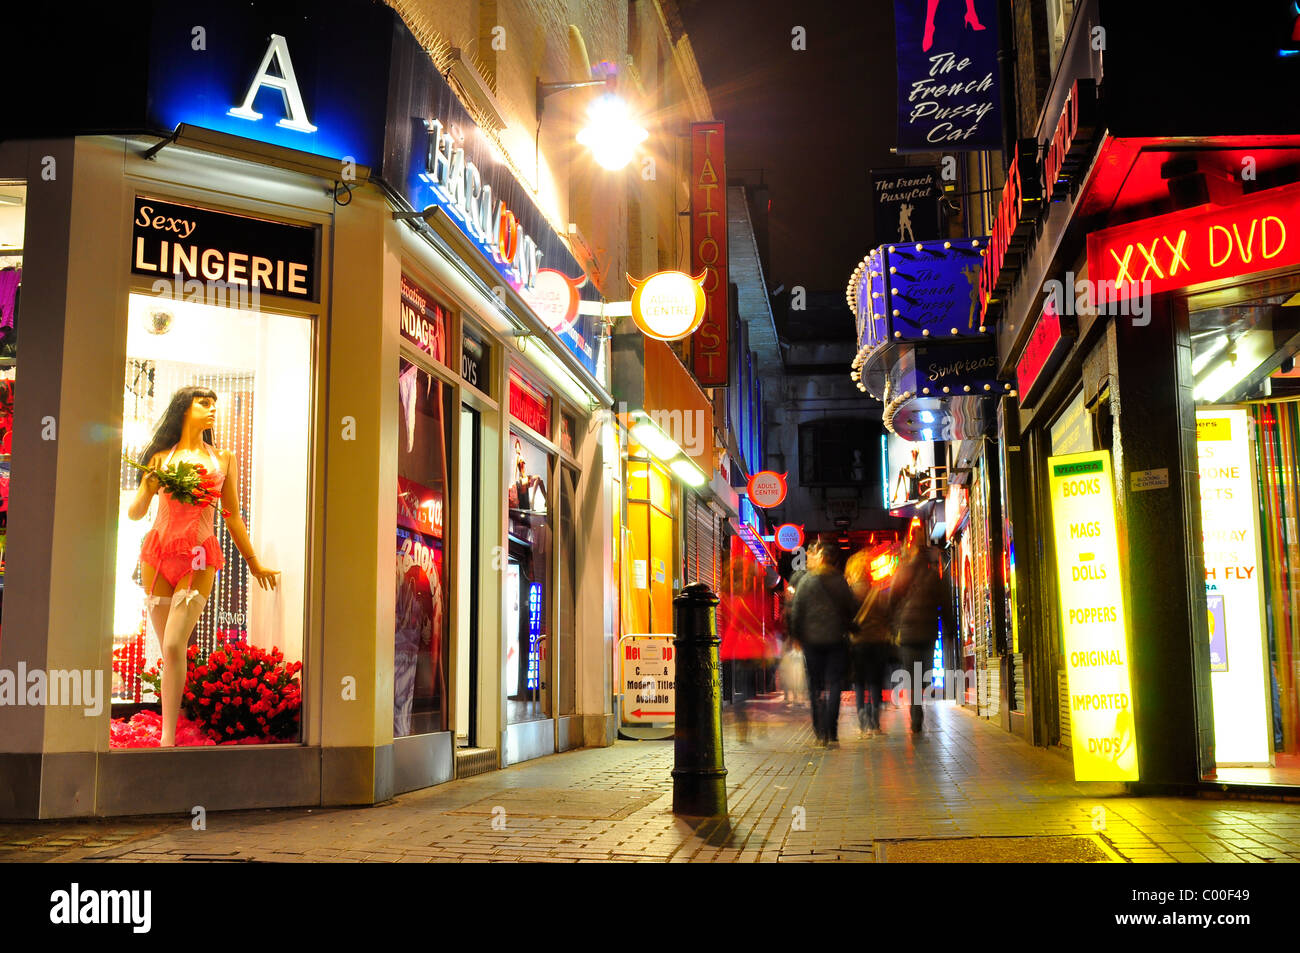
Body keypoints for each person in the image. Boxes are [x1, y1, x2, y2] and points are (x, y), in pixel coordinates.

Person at [129, 385, 279, 748]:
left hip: (198, 557)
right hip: (158, 555)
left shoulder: (223, 459)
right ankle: (169, 729)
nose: (212, 409)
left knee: (176, 642)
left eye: (215, 403)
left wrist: (254, 563)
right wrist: (148, 487)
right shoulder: (160, 458)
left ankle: (167, 739)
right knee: (168, 648)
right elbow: (135, 514)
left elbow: (231, 516)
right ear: (184, 408)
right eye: (204, 403)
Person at [786, 539, 858, 748]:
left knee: (815, 686)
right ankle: (832, 731)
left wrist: (796, 636)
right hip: (836, 640)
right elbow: (852, 608)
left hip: (812, 642)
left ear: (822, 558)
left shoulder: (807, 582)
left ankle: (820, 732)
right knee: (834, 684)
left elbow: (797, 612)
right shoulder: (840, 581)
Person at [890, 538, 944, 735]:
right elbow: (945, 603)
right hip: (928, 633)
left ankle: (916, 713)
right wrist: (948, 631)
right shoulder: (933, 576)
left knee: (912, 676)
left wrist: (895, 625)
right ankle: (918, 706)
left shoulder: (903, 572)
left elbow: (892, 600)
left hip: (908, 635)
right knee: (924, 676)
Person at [845, 547, 894, 736]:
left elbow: (846, 618)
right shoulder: (879, 592)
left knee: (859, 683)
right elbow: (888, 615)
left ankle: (862, 720)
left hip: (858, 643)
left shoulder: (850, 594)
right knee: (875, 682)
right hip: (878, 642)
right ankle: (875, 723)